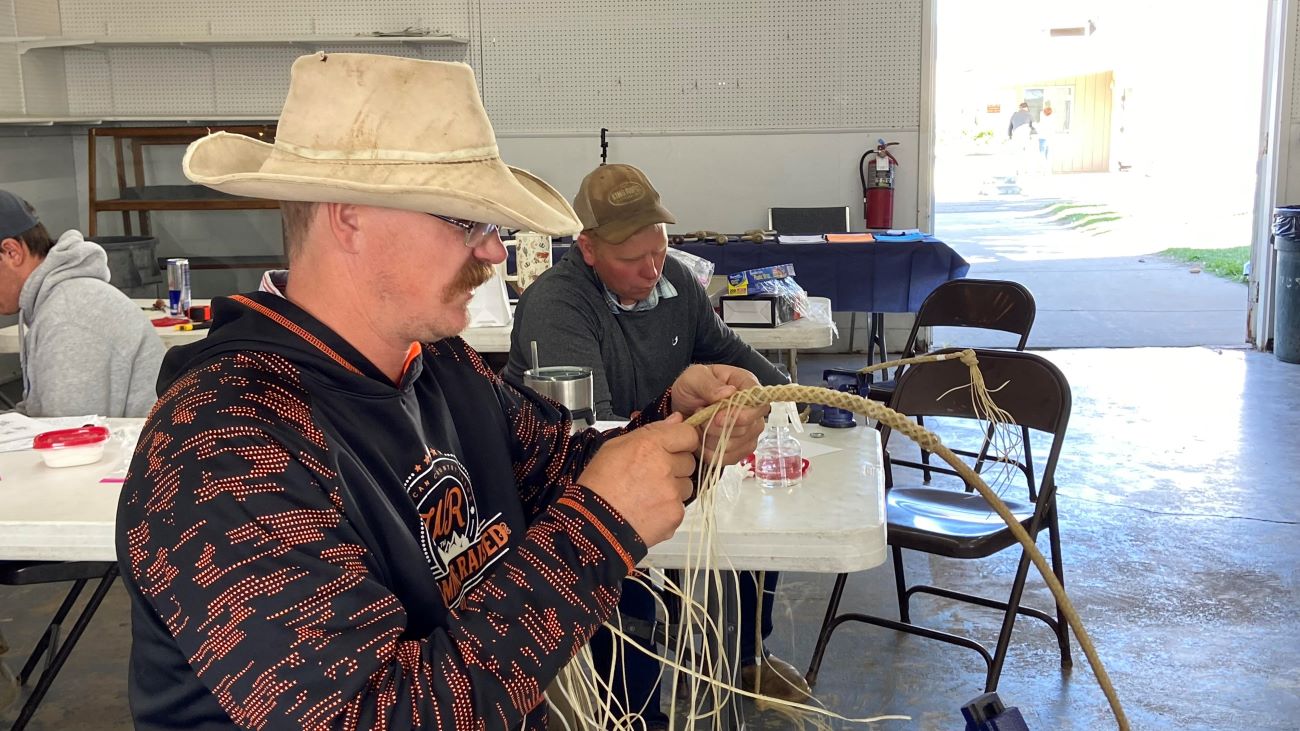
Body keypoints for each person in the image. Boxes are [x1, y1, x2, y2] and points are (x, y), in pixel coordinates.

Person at [114, 53, 767, 731]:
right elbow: (375, 717)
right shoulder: (223, 446)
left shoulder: (439, 363)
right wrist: (596, 530)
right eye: (465, 221)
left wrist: (676, 427)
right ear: (350, 217)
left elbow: (552, 476)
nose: (491, 252)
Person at [505, 163, 812, 726]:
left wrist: (791, 395)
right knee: (631, 602)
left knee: (755, 539)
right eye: (632, 259)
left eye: (659, 249)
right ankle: (634, 713)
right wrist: (693, 425)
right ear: (588, 249)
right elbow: (586, 440)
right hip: (595, 487)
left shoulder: (674, 281)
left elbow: (726, 347)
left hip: (675, 458)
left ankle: (747, 657)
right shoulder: (558, 307)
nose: (651, 269)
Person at [0, 190, 164, 418]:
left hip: (131, 452)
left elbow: (70, 437)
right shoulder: (57, 303)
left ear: (11, 252)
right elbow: (36, 416)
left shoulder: (69, 317)